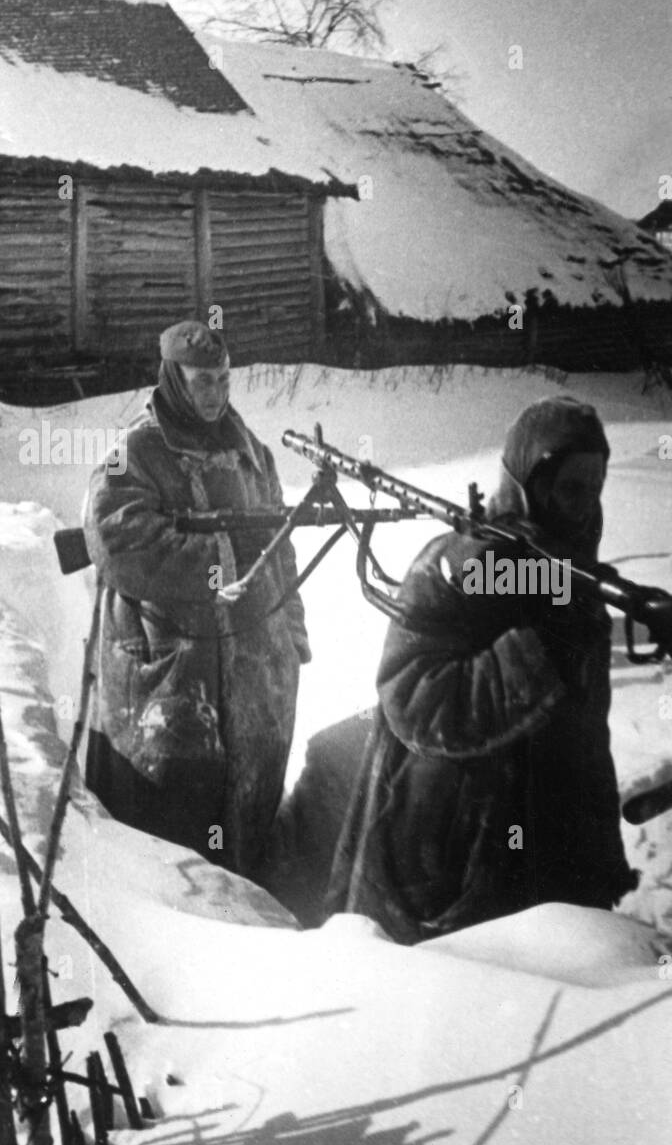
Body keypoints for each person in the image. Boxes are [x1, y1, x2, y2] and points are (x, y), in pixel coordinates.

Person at [324, 395, 637, 943]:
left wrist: (598, 855)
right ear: (529, 484)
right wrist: (534, 655)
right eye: (569, 488)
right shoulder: (460, 566)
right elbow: (415, 702)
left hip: (550, 858)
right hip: (451, 859)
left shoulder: (575, 578)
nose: (584, 505)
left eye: (594, 487)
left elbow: (588, 737)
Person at [83, 320, 310, 879]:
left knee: (246, 798)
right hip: (171, 663)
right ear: (173, 379)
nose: (217, 392)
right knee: (170, 809)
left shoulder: (251, 450)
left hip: (253, 661)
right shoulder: (131, 450)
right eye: (202, 381)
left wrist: (294, 631)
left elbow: (281, 545)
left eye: (224, 379)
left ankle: (249, 900)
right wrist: (218, 562)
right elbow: (117, 538)